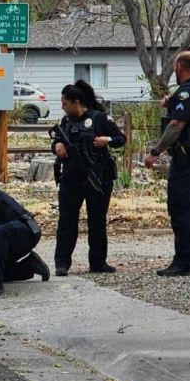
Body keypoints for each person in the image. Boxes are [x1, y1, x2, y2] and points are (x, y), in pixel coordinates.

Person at [49, 80, 126, 276]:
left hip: (97, 177)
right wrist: (57, 146)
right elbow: (58, 140)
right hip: (71, 178)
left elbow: (120, 139)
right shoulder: (66, 122)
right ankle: (62, 263)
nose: (62, 107)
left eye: (65, 103)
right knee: (67, 221)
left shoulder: (99, 118)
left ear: (76, 102)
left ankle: (98, 262)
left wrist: (105, 140)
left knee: (97, 221)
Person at [144, 51, 190, 276]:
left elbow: (176, 125)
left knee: (180, 208)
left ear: (179, 67)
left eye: (175, 67)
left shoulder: (186, 92)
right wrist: (171, 104)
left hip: (186, 161)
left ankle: (183, 261)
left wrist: (155, 152)